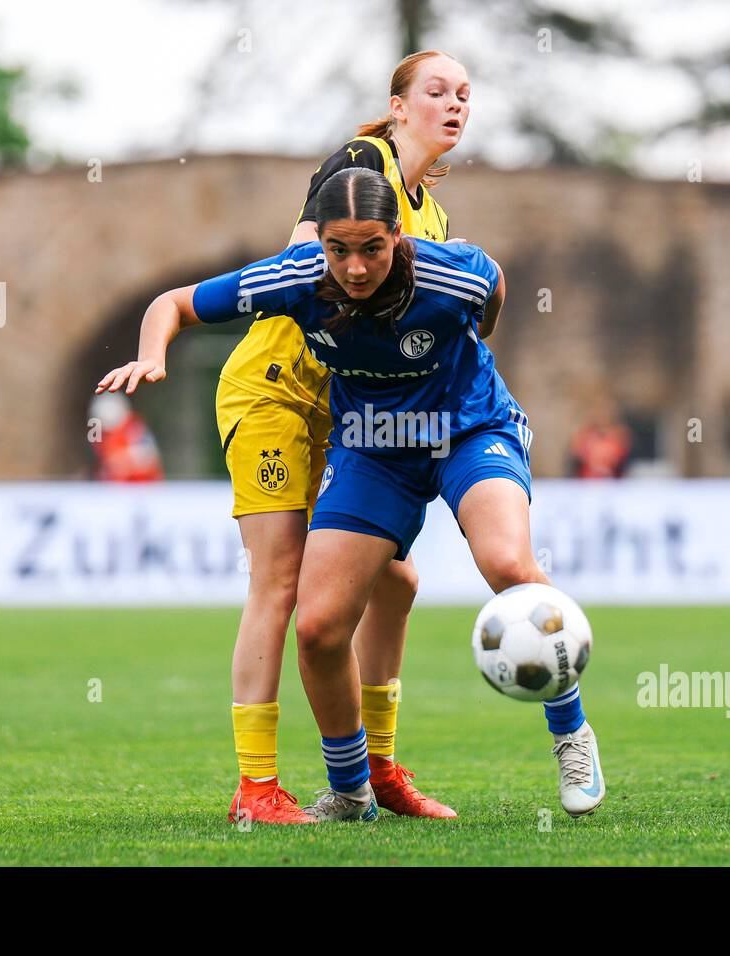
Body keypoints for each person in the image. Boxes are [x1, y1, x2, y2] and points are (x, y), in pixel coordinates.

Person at [97, 167, 606, 821]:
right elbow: (174, 303)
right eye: (339, 249)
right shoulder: (295, 278)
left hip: (469, 430)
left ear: (399, 235)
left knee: (508, 565)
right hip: (371, 449)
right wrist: (154, 355)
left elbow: (494, 290)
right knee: (317, 626)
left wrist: (470, 355)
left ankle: (572, 736)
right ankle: (351, 789)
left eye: (372, 247)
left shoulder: (455, 274)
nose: (356, 267)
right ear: (321, 243)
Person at [208, 51, 470, 823]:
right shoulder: (363, 166)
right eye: (435, 92)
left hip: (347, 412)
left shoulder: (434, 216)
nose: (453, 104)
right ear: (395, 107)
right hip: (275, 393)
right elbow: (300, 259)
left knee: (398, 582)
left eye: (464, 94)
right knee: (281, 584)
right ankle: (256, 789)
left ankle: (379, 770)